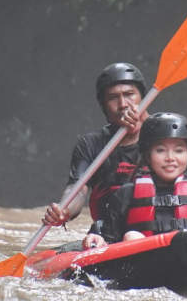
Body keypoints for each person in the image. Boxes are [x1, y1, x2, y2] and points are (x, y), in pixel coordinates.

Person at [83, 112, 187, 249]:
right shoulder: (125, 196)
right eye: (160, 150)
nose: (170, 158)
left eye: (179, 150)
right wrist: (97, 238)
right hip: (142, 263)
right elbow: (105, 240)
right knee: (132, 237)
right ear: (148, 155)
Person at [41, 62, 148, 228]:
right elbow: (78, 190)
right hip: (108, 233)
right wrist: (64, 210)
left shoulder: (163, 135)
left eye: (129, 94)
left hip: (153, 229)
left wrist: (147, 122)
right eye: (113, 98)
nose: (123, 104)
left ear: (144, 98)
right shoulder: (91, 144)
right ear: (104, 107)